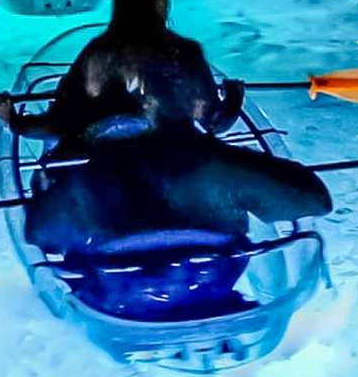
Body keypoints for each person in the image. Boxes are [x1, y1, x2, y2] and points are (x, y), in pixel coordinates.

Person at [19, 98, 333, 320]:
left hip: (124, 297)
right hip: (211, 282)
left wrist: (48, 186)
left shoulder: (80, 182)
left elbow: (38, 234)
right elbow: (317, 201)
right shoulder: (215, 163)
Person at [0, 0, 241, 145]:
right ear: (162, 2)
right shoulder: (186, 52)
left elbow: (61, 121)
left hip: (114, 170)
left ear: (119, 3)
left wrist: (14, 121)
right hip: (177, 166)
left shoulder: (98, 53)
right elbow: (214, 123)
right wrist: (234, 96)